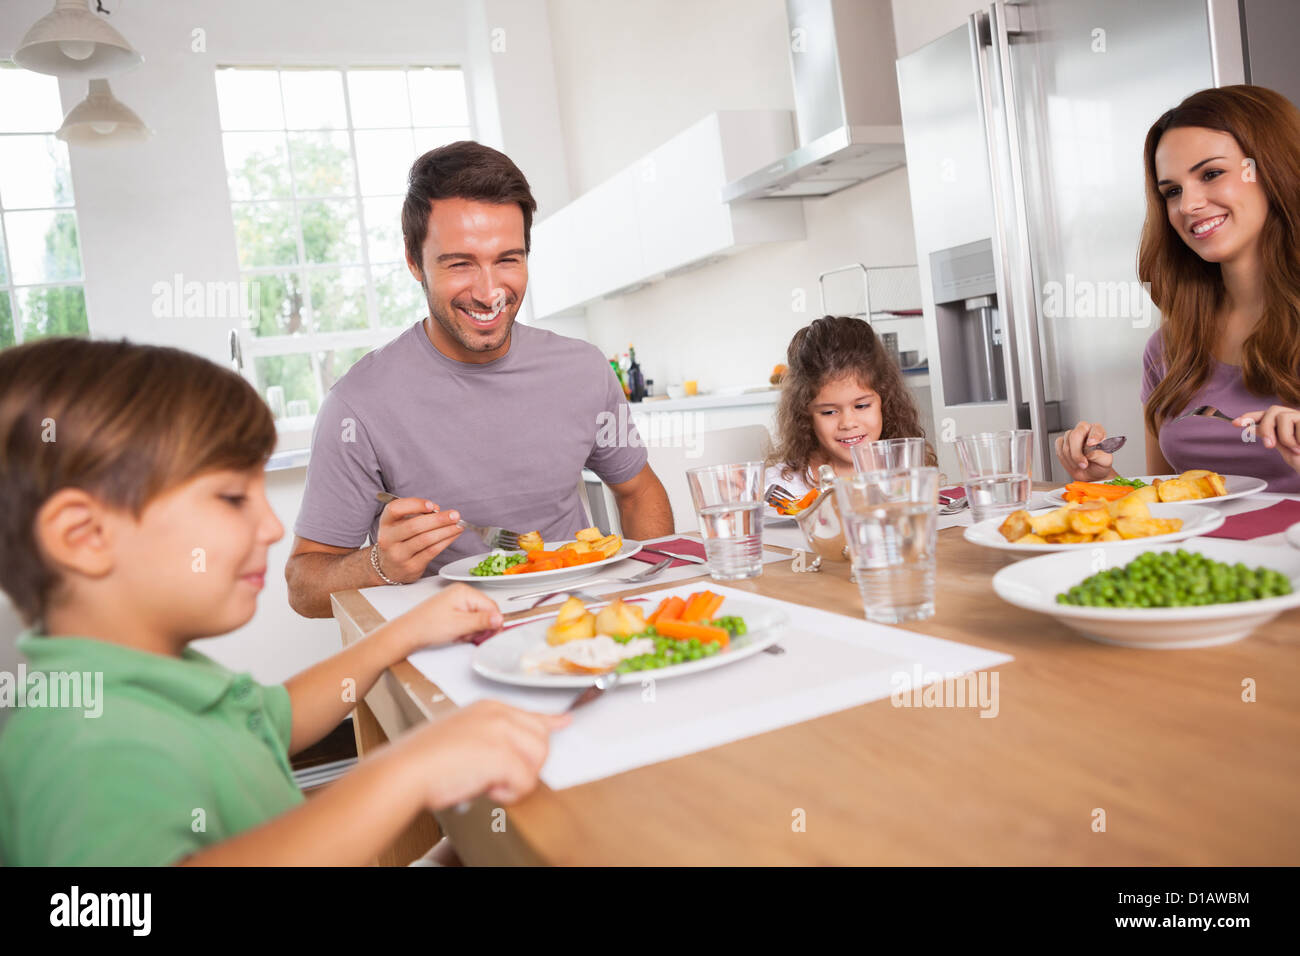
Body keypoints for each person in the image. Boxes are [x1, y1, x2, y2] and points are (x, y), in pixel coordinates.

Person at [0, 339, 568, 866]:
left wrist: (406, 630)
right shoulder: (85, 745)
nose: (272, 527)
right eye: (230, 497)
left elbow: (275, 719)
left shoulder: (152, 683)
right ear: (84, 536)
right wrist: (406, 771)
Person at [287, 141, 673, 618]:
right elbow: (303, 586)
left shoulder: (583, 370)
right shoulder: (358, 406)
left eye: (508, 259)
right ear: (414, 263)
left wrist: (650, 599)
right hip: (447, 644)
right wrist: (379, 564)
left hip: (582, 624)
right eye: (460, 264)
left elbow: (639, 491)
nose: (490, 292)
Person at [1055, 85, 1300, 492]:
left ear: (1274, 168)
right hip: (1209, 557)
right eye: (1172, 191)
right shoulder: (1170, 348)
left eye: (1211, 174)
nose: (1188, 205)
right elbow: (1169, 502)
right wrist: (1104, 484)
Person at [767, 315, 937, 495]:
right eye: (829, 412)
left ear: (885, 402)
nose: (848, 423)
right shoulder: (782, 485)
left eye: (861, 406)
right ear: (805, 414)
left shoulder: (907, 469)